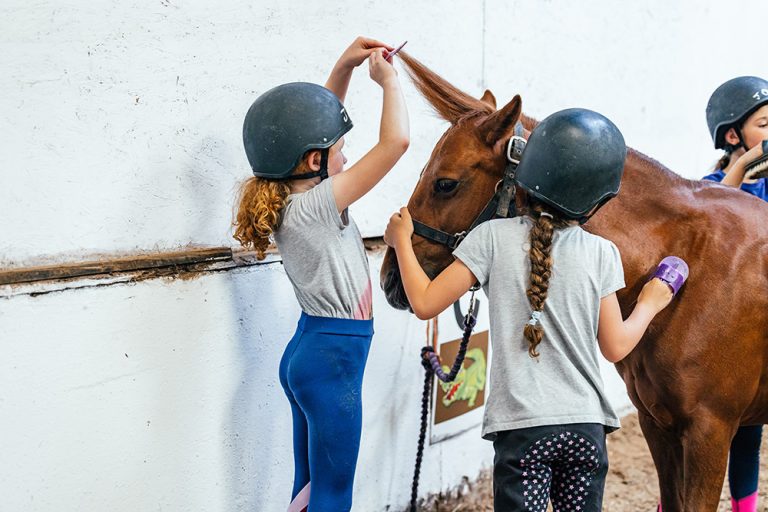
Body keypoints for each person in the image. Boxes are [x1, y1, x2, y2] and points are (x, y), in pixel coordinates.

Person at [385, 108, 678, 511]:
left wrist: (401, 239)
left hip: (522, 433)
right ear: (599, 200)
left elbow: (424, 303)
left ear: (523, 173)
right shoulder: (601, 252)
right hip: (585, 429)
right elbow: (615, 347)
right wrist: (650, 302)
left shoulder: (489, 239)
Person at [233, 37, 409, 511]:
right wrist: (389, 82)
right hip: (332, 359)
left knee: (311, 489)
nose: (347, 158)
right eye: (341, 150)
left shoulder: (297, 199)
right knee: (334, 496)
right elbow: (396, 143)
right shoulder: (317, 205)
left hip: (311, 352)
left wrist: (344, 65)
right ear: (315, 161)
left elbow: (316, 124)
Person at [703, 75, 768, 512]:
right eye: (765, 123)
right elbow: (708, 215)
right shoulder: (711, 182)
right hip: (725, 331)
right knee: (731, 430)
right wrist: (740, 171)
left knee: (750, 436)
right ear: (733, 134)